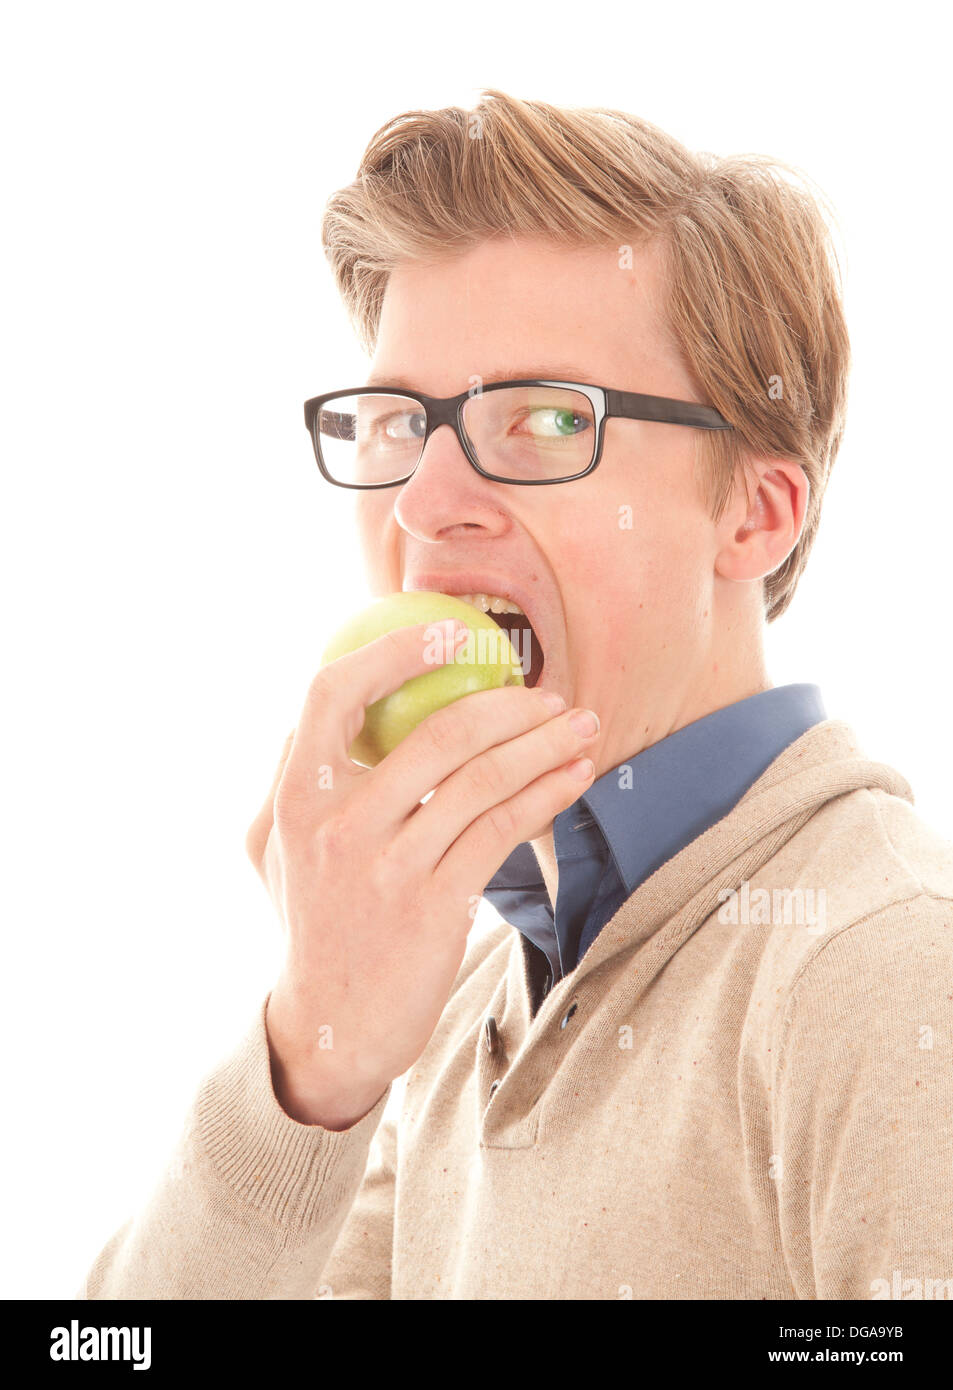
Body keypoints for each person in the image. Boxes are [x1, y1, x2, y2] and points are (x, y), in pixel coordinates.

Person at [81, 89, 953, 1300]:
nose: (423, 503)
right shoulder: (462, 1012)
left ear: (753, 512)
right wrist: (308, 1061)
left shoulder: (888, 966)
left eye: (544, 418)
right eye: (397, 421)